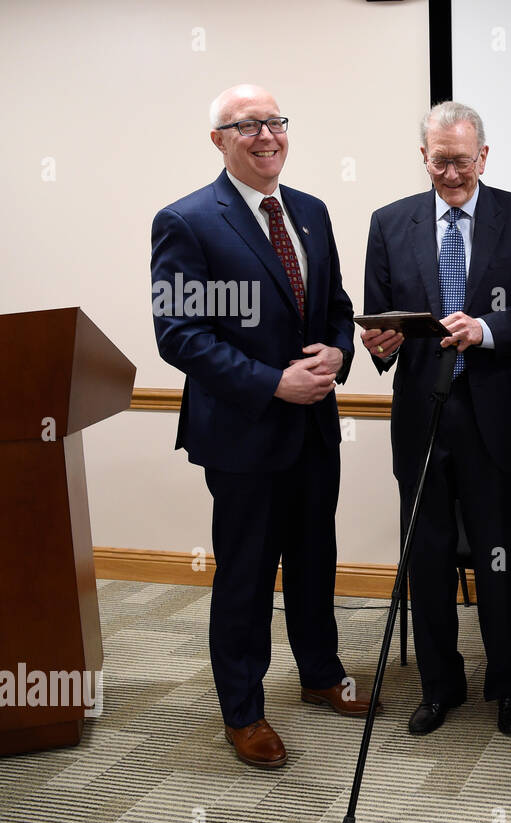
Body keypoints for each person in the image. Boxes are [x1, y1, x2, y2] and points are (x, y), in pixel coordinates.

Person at [152, 84, 371, 770]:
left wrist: (339, 348)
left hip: (315, 427)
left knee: (314, 557)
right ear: (219, 140)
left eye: (275, 121)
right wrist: (272, 381)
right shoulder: (188, 221)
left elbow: (336, 305)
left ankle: (319, 673)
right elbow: (178, 334)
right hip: (244, 432)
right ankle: (243, 711)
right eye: (248, 125)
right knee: (247, 573)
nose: (267, 134)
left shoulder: (309, 211)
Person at [361, 102, 511, 738]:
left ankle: (507, 685)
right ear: (423, 157)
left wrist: (488, 328)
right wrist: (379, 345)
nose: (452, 173)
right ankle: (439, 686)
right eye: (440, 160)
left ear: (484, 156)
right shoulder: (389, 223)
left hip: (496, 419)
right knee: (426, 558)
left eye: (463, 160)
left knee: (498, 558)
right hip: (422, 418)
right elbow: (378, 318)